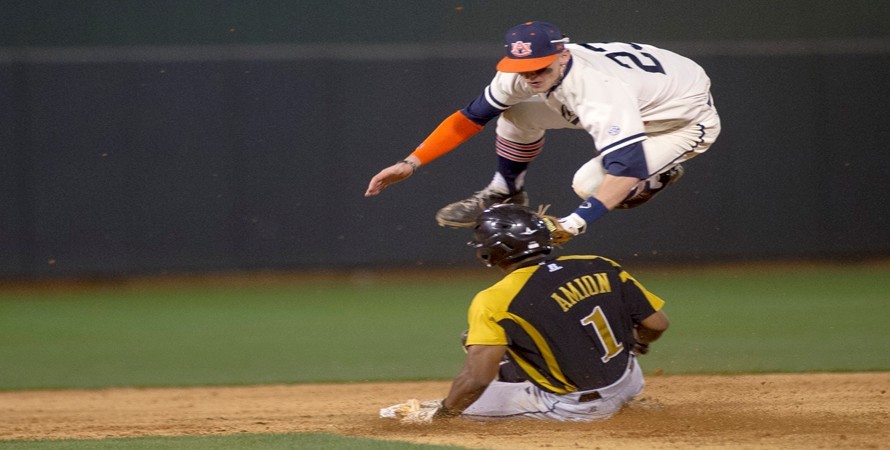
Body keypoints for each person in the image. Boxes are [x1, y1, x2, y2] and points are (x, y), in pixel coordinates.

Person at [365, 21, 720, 243]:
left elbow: (624, 167)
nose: (531, 75)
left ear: (562, 54)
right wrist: (411, 162)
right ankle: (504, 190)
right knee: (516, 112)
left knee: (590, 184)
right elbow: (471, 118)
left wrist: (575, 222)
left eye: (539, 67)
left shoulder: (597, 90)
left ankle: (660, 174)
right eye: (523, 67)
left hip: (679, 120)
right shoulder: (523, 73)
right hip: (647, 91)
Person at [379, 204, 669, 423]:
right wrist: (636, 343)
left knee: (447, 404)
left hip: (575, 407)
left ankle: (438, 414)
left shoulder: (495, 299)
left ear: (490, 252)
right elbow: (656, 324)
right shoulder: (598, 263)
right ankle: (617, 396)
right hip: (630, 380)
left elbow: (477, 379)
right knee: (505, 342)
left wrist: (445, 414)